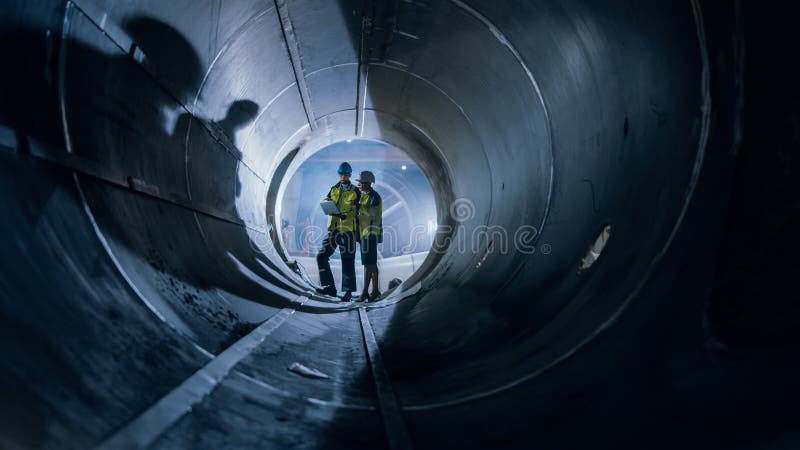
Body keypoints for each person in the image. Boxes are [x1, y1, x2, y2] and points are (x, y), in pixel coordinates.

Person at [316, 162, 360, 301]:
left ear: (350, 175)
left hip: (348, 231)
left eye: (345, 175)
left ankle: (348, 293)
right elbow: (326, 199)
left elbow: (361, 210)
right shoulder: (334, 189)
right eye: (341, 174)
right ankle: (330, 287)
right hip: (334, 229)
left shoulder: (356, 191)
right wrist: (327, 203)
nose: (342, 177)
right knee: (321, 256)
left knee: (347, 261)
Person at [355, 171, 383, 302]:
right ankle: (374, 291)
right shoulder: (365, 196)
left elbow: (370, 214)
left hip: (370, 234)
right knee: (370, 263)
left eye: (361, 183)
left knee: (368, 263)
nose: (359, 185)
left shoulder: (374, 197)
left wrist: (357, 206)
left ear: (367, 184)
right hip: (364, 234)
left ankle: (366, 292)